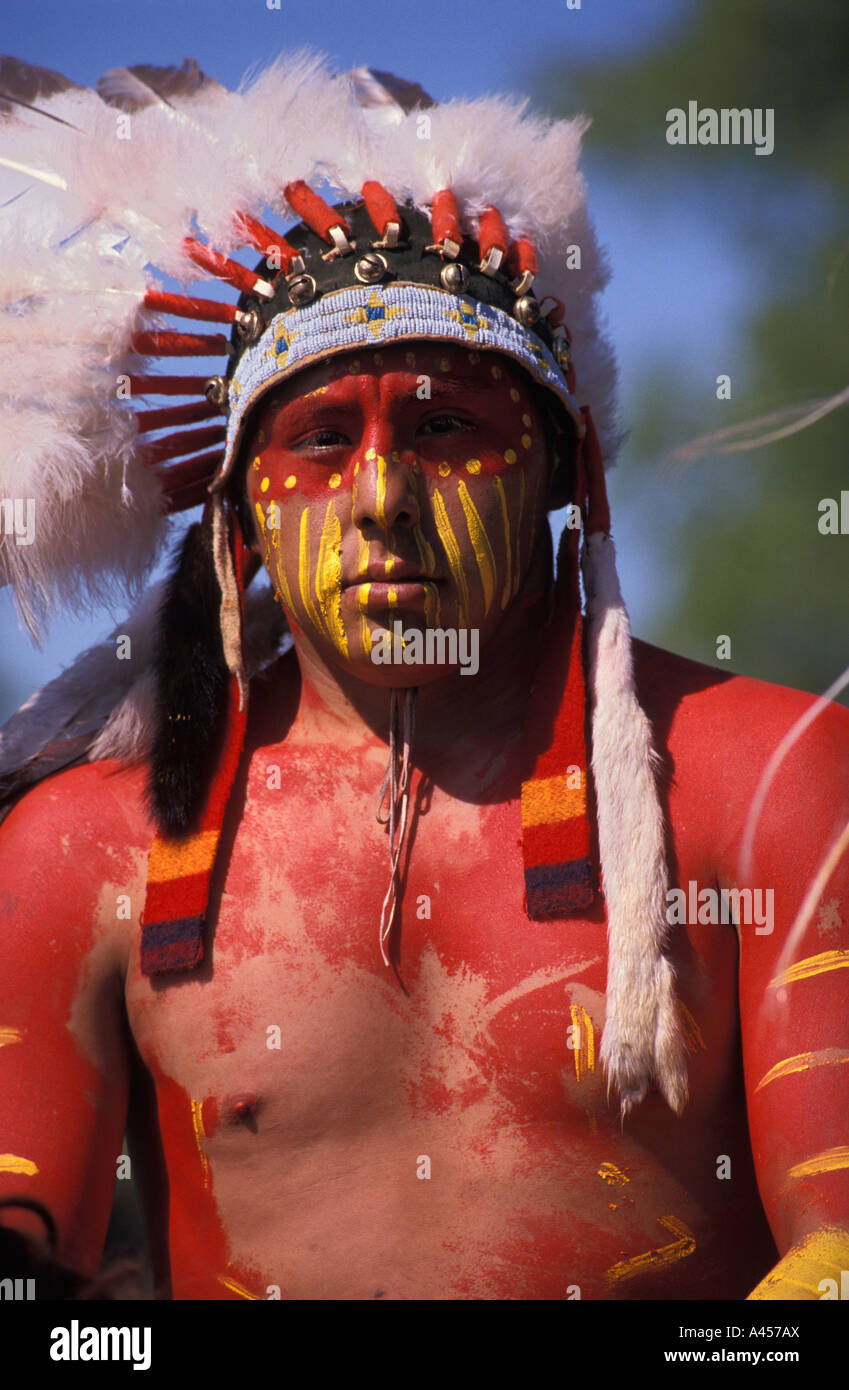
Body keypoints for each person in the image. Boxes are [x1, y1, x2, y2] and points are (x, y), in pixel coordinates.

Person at [0, 53, 847, 1302]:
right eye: (322, 440)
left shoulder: (768, 776)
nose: (382, 499)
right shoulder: (86, 849)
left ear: (560, 475)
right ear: (239, 508)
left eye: (446, 427)